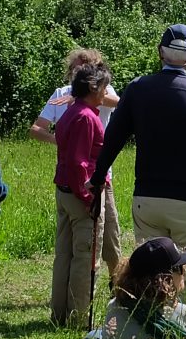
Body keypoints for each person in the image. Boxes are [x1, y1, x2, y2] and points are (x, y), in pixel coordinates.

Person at [90, 23, 186, 310]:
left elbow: (112, 139)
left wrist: (97, 178)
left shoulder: (138, 89)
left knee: (153, 276)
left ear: (160, 53)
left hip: (148, 198)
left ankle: (147, 337)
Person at [31, 47, 121, 278]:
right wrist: (61, 141)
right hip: (72, 173)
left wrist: (80, 95)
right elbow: (36, 129)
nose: (77, 71)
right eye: (75, 68)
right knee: (75, 240)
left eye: (83, 67)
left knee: (110, 234)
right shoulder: (60, 93)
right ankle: (77, 292)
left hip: (100, 173)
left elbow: (118, 102)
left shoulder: (103, 89)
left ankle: (116, 282)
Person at [50, 61, 112, 329]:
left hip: (64, 191)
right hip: (80, 193)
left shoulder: (71, 111)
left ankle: (59, 313)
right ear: (93, 88)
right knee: (84, 256)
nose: (107, 91)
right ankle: (78, 318)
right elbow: (79, 163)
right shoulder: (87, 117)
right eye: (105, 86)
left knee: (64, 254)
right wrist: (88, 199)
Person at [85, 236, 186, 339]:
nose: (184, 273)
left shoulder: (115, 305)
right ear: (168, 277)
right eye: (180, 267)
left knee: (91, 336)